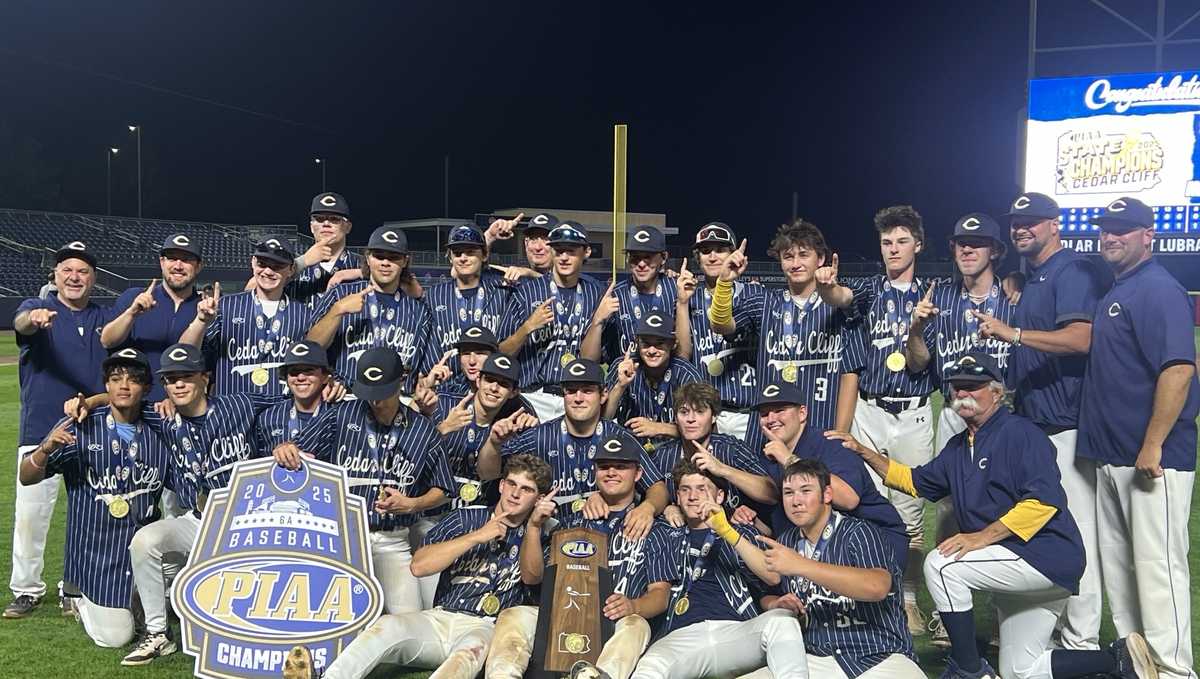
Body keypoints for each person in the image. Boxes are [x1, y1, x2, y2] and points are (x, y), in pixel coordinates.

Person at [834, 352, 1155, 679]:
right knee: (1020, 671)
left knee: (942, 565)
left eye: (973, 386)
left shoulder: (1022, 434)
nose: (963, 394)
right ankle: (1117, 661)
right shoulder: (959, 447)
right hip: (1020, 563)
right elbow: (915, 481)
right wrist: (863, 451)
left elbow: (1044, 503)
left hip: (1044, 555)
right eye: (958, 387)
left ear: (997, 393)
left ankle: (969, 668)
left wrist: (980, 538)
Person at [280, 455, 557, 679]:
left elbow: (532, 578)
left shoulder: (543, 533)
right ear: (500, 485)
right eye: (511, 484)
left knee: (466, 656)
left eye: (527, 489)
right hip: (439, 618)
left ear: (538, 498)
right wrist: (477, 536)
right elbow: (419, 566)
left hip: (485, 626)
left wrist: (532, 527)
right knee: (386, 627)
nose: (515, 493)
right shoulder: (465, 519)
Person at [973, 192, 1106, 650]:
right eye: (1016, 222)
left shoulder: (1072, 270)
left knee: (1077, 533)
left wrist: (1014, 333)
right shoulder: (1034, 277)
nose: (1021, 227)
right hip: (1036, 426)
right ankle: (1051, 632)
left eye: (1031, 220)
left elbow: (1081, 337)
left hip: (1066, 426)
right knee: (1042, 530)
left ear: (1055, 224)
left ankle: (1083, 640)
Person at [1080, 197, 1199, 679]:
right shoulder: (1121, 288)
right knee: (1121, 572)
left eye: (1123, 229)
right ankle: (1138, 664)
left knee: (1158, 569)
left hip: (1152, 458)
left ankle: (1174, 670)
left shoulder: (1157, 288)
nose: (1111, 237)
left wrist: (1153, 444)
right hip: (1112, 456)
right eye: (1106, 229)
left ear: (1148, 235)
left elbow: (1179, 369)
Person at [121, 342, 288, 665]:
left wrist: (283, 439)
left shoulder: (238, 405)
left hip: (247, 526)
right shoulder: (163, 419)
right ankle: (157, 632)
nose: (179, 384)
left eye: (186, 376)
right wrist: (84, 403)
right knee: (146, 543)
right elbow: (118, 401)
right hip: (199, 520)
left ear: (205, 379)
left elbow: (289, 402)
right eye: (171, 379)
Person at [813, 205, 936, 633]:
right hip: (870, 407)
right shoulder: (869, 289)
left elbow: (920, 364)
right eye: (887, 242)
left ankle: (906, 600)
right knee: (862, 503)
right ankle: (861, 590)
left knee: (910, 511)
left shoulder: (931, 294)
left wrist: (916, 330)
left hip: (913, 412)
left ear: (918, 245)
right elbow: (841, 298)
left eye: (902, 241)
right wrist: (827, 287)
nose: (894, 249)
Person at [272, 347, 454, 614]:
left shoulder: (423, 430)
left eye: (381, 392)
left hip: (392, 538)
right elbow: (299, 449)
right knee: (328, 614)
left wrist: (413, 504)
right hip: (341, 535)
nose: (375, 401)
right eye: (369, 392)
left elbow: (444, 489)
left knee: (409, 619)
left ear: (400, 382)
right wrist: (285, 447)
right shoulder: (341, 415)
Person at [17, 348, 172, 648]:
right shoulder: (81, 426)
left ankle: (139, 598)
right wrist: (44, 449)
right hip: (96, 557)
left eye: (133, 380)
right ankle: (77, 596)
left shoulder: (159, 426)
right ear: (106, 385)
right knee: (118, 637)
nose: (124, 386)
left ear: (147, 387)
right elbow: (27, 476)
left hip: (143, 551)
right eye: (115, 379)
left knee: (175, 602)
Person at [497, 434, 679, 679]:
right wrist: (533, 528)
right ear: (595, 473)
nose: (611, 472)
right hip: (565, 616)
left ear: (637, 474)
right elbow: (532, 578)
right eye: (604, 467)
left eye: (621, 466)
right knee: (514, 615)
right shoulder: (573, 521)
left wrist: (633, 606)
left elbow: (660, 595)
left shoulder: (654, 528)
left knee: (636, 625)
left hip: (617, 623)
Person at [740, 458, 924, 679]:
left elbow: (877, 587)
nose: (796, 501)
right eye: (788, 493)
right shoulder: (787, 541)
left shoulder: (860, 532)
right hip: (816, 656)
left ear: (827, 495)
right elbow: (767, 595)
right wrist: (777, 603)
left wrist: (802, 566)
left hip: (879, 654)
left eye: (805, 491)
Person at [629, 458, 806, 679]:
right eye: (685, 490)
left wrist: (727, 531)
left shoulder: (741, 532)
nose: (693, 497)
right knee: (650, 666)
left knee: (782, 621)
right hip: (681, 637)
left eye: (702, 489)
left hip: (735, 632)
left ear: (720, 496)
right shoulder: (665, 534)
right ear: (678, 497)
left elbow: (772, 576)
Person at [6, 241, 108, 619]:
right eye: (67, 269)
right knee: (31, 515)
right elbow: (20, 323)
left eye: (82, 271)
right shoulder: (36, 309)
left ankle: (75, 587)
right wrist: (32, 321)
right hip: (41, 428)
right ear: (55, 276)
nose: (75, 276)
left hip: (92, 429)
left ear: (93, 278)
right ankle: (27, 590)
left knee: (86, 513)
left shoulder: (104, 316)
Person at [708, 219, 866, 458]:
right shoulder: (763, 302)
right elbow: (721, 326)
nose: (796, 263)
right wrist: (724, 283)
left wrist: (841, 432)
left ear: (820, 259)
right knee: (767, 493)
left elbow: (850, 373)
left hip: (821, 425)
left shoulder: (837, 309)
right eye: (788, 256)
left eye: (804, 255)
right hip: (770, 427)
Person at [477, 358, 669, 540]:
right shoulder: (539, 436)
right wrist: (493, 444)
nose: (578, 398)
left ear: (603, 395)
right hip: (549, 540)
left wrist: (648, 508)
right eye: (571, 391)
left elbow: (657, 487)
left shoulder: (619, 437)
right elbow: (487, 474)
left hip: (607, 539)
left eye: (587, 391)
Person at [751, 381, 907, 571]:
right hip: (819, 545)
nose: (771, 419)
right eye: (765, 414)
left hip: (874, 540)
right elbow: (776, 524)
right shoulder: (766, 457)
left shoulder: (830, 443)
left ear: (802, 413)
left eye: (780, 410)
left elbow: (849, 499)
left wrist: (790, 460)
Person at [904, 213, 1015, 448]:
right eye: (961, 243)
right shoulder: (939, 297)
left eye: (977, 243)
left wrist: (1018, 280)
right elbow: (916, 364)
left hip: (1002, 416)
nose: (967, 249)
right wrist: (916, 329)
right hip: (953, 413)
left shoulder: (1013, 298)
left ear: (994, 251)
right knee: (950, 484)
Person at [307, 225, 438, 391]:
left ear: (405, 261)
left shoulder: (419, 312)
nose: (385, 263)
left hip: (395, 402)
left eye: (393, 257)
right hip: (347, 399)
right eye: (379, 256)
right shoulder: (340, 294)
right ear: (368, 258)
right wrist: (337, 310)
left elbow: (420, 372)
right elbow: (310, 347)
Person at [498, 221, 606, 421]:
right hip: (532, 396)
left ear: (586, 252)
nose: (564, 258)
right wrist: (527, 328)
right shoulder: (526, 292)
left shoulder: (597, 294)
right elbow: (501, 352)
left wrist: (598, 320)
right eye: (558, 251)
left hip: (576, 397)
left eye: (571, 251)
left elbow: (594, 360)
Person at [180, 237, 313, 396]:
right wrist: (200, 321)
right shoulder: (226, 306)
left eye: (277, 266)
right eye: (262, 264)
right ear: (253, 262)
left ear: (291, 270)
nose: (268, 271)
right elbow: (185, 352)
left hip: (281, 411)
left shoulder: (303, 314)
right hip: (231, 408)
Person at [674, 222, 762, 440]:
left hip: (749, 412)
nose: (712, 257)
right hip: (707, 413)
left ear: (734, 254)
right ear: (698, 257)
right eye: (705, 251)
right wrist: (682, 304)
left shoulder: (753, 294)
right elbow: (684, 356)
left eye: (720, 250)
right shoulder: (690, 298)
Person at [101, 232, 204, 402]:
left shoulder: (204, 309)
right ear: (162, 262)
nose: (178, 265)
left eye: (186, 260)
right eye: (171, 258)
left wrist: (202, 320)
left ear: (199, 266)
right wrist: (132, 312)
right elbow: (107, 341)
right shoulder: (134, 297)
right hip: (135, 408)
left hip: (184, 407)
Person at [653, 381, 777, 521]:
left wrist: (723, 469)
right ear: (676, 418)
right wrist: (667, 508)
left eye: (700, 411)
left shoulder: (732, 449)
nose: (691, 419)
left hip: (732, 532)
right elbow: (647, 496)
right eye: (684, 412)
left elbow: (771, 494)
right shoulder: (663, 456)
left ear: (714, 417)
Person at [603, 311, 705, 448]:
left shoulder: (685, 373)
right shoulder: (623, 366)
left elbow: (703, 428)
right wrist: (620, 386)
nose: (651, 350)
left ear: (673, 344)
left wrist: (660, 428)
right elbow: (603, 421)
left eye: (659, 343)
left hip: (674, 451)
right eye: (645, 343)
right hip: (630, 451)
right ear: (637, 343)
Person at [424, 223, 510, 385]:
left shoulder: (503, 291)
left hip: (492, 385)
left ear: (485, 255)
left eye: (470, 252)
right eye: (457, 253)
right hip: (447, 385)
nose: (463, 258)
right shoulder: (435, 295)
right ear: (450, 257)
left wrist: (526, 272)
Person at [581, 224, 678, 363]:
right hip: (624, 380)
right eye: (635, 257)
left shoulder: (676, 289)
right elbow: (588, 360)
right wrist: (597, 321)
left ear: (663, 257)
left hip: (669, 380)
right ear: (627, 258)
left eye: (648, 257)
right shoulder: (613, 296)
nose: (641, 264)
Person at [253, 339, 340, 453]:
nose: (300, 378)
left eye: (309, 371)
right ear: (286, 378)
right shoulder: (267, 418)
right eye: (294, 372)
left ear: (325, 377)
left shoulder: (339, 416)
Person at [286, 192, 363, 304]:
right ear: (311, 227)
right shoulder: (295, 265)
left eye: (335, 219)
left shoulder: (362, 265)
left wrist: (362, 272)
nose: (326, 223)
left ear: (348, 227)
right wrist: (303, 262)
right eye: (320, 219)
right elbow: (254, 287)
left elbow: (395, 278)